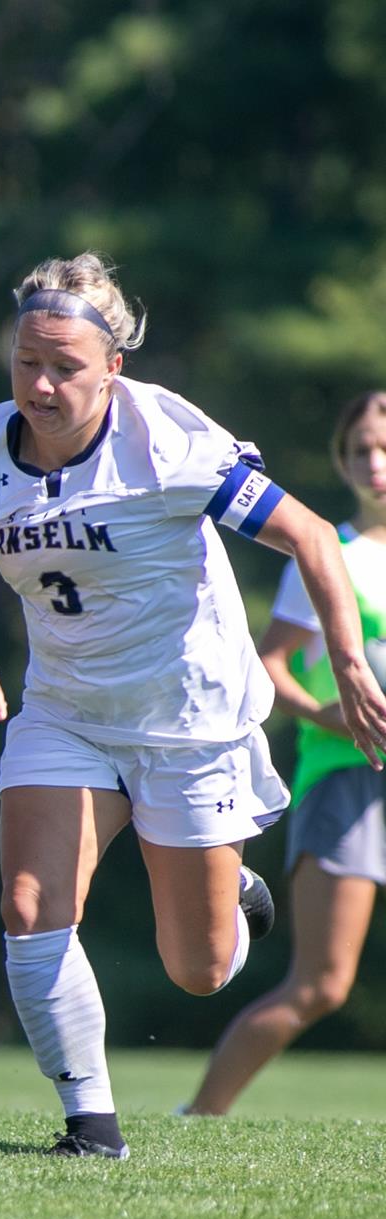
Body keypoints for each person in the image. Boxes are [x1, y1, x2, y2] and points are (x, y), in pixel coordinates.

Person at [0, 253, 386, 1158]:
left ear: (112, 367)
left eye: (65, 366)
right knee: (30, 905)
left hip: (189, 719)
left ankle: (231, 890)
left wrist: (348, 664)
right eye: (26, 362)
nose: (41, 384)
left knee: (199, 970)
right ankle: (92, 1127)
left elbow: (313, 536)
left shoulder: (167, 443)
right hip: (66, 712)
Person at [184, 391, 386, 1115]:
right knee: (322, 984)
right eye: (361, 449)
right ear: (341, 460)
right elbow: (271, 665)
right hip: (347, 779)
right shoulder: (328, 555)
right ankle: (199, 1116)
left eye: (385, 448)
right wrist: (327, 712)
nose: (374, 462)